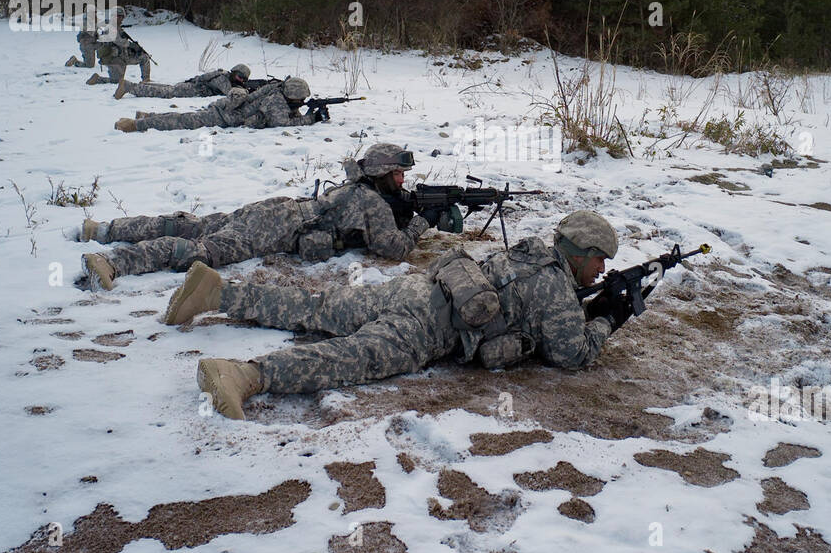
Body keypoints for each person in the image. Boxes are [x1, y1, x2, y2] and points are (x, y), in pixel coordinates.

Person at [169, 211, 623, 420]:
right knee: (351, 358)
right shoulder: (559, 289)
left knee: (318, 307)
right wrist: (607, 319)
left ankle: (218, 292)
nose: (601, 270)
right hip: (426, 329)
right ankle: (245, 375)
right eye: (600, 261)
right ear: (583, 253)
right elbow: (570, 354)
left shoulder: (532, 253)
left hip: (415, 287)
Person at [79, 142, 458, 290]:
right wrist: (425, 222)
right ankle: (112, 262)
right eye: (397, 173)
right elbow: (393, 249)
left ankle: (105, 229)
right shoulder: (373, 202)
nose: (403, 179)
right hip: (276, 228)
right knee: (201, 250)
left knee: (192, 223)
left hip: (277, 207)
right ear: (381, 174)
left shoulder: (357, 188)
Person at [112, 76, 317, 133]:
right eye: (300, 99)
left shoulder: (276, 91)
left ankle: (147, 116)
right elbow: (280, 123)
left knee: (184, 118)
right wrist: (310, 119)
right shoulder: (276, 100)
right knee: (182, 122)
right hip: (223, 117)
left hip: (224, 111)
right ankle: (134, 125)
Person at [113, 64, 254, 100]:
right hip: (193, 89)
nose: (241, 80)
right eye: (240, 76)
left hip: (192, 86)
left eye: (244, 79)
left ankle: (143, 85)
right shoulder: (223, 78)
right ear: (234, 72)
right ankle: (129, 87)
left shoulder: (226, 77)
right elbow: (229, 92)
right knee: (167, 93)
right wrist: (247, 91)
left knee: (169, 88)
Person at [86, 8, 151, 84]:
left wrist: (134, 50)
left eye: (121, 16)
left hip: (123, 57)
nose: (120, 18)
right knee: (116, 82)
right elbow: (119, 42)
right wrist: (131, 45)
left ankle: (146, 80)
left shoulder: (118, 28)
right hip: (113, 59)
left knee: (144, 58)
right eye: (117, 16)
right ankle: (97, 79)